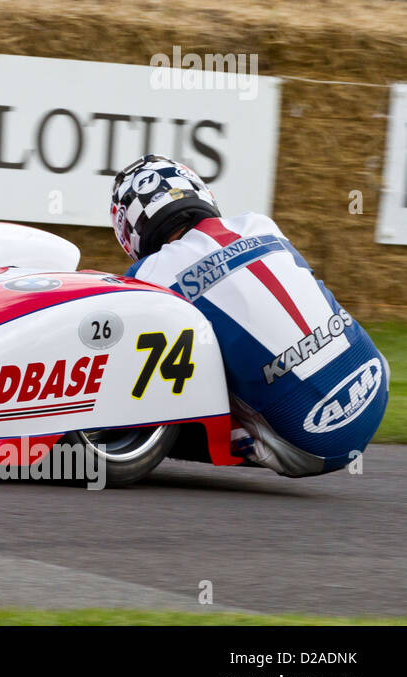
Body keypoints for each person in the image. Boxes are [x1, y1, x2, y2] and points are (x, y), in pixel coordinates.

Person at [110, 154, 387, 477]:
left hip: (304, 440)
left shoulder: (149, 274)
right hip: (374, 383)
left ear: (129, 231)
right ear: (200, 190)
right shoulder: (260, 224)